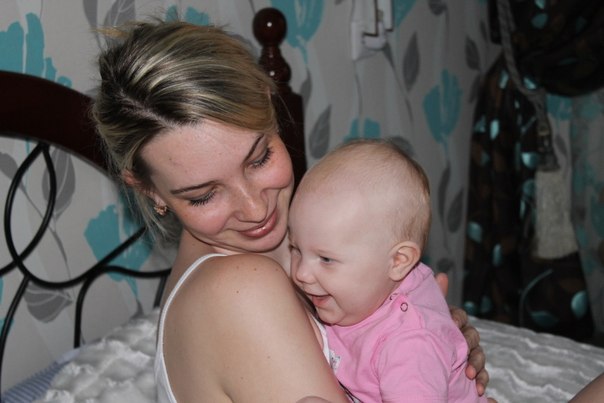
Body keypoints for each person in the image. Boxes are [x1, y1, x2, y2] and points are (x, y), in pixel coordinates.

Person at [92, 19, 490, 403]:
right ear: (148, 189)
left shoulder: (306, 237)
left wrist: (429, 348)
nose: (255, 209)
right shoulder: (240, 291)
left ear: (269, 104)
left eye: (260, 158)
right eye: (203, 196)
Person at [288, 139, 490, 402]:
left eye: (326, 259)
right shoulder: (361, 289)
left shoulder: (409, 346)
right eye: (295, 248)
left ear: (398, 261)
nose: (301, 273)